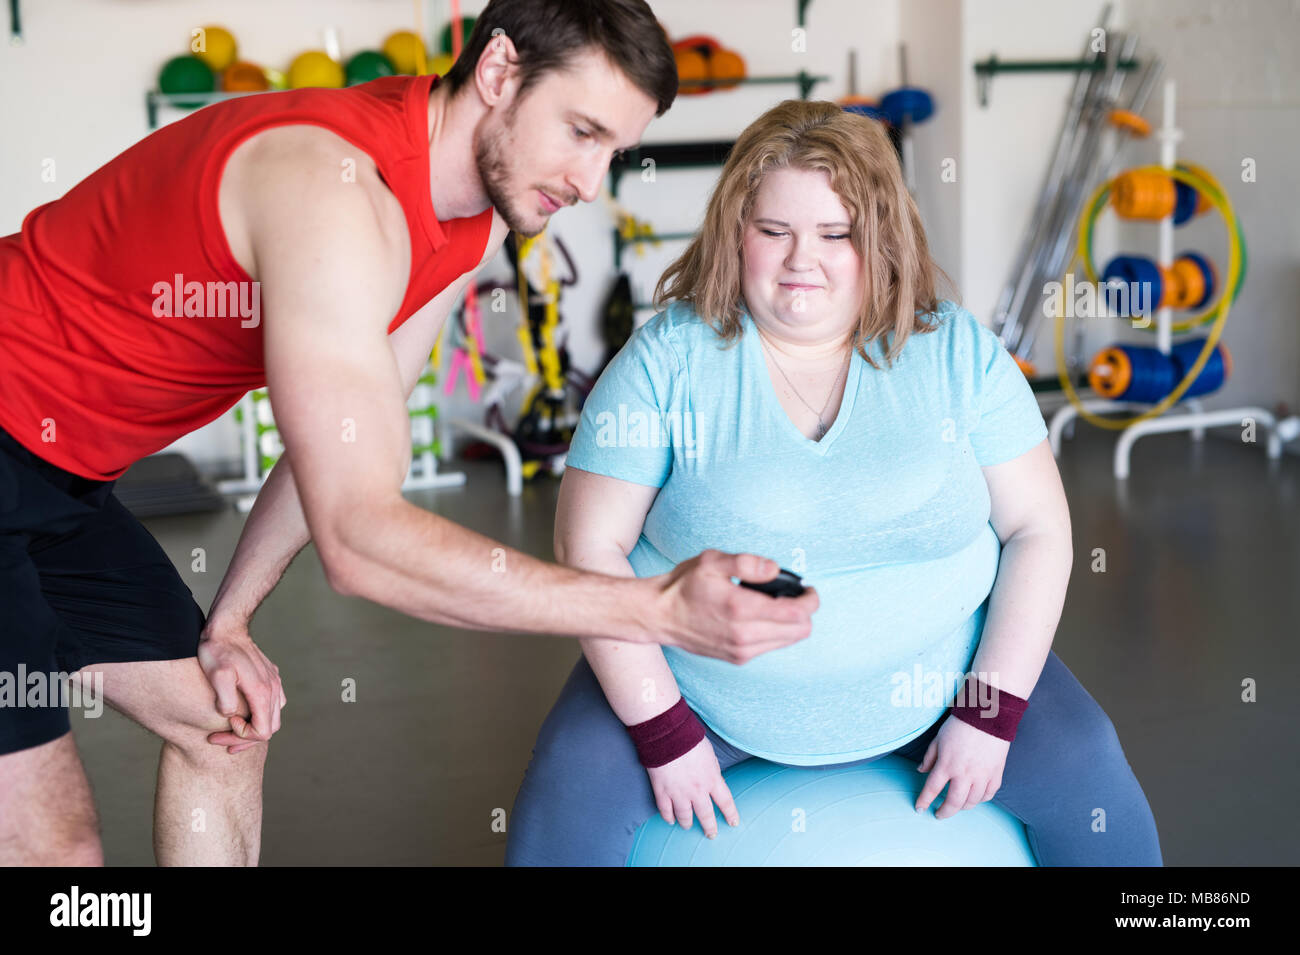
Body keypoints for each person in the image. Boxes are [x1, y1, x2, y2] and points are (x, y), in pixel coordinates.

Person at [0, 0, 819, 866]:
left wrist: (230, 618)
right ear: (499, 71)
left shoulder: (461, 220)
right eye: (580, 131)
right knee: (55, 855)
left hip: (60, 481)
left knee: (223, 727)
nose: (590, 180)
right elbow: (360, 541)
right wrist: (653, 609)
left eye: (613, 150)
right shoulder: (327, 185)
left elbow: (341, 450)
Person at [505, 98, 1163, 866]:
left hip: (944, 676)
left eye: (835, 234)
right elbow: (589, 546)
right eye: (773, 231)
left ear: (879, 238)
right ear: (734, 232)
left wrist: (989, 716)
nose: (800, 261)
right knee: (564, 803)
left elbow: (1039, 532)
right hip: (702, 689)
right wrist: (664, 731)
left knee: (1094, 776)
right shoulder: (666, 361)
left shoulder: (957, 353)